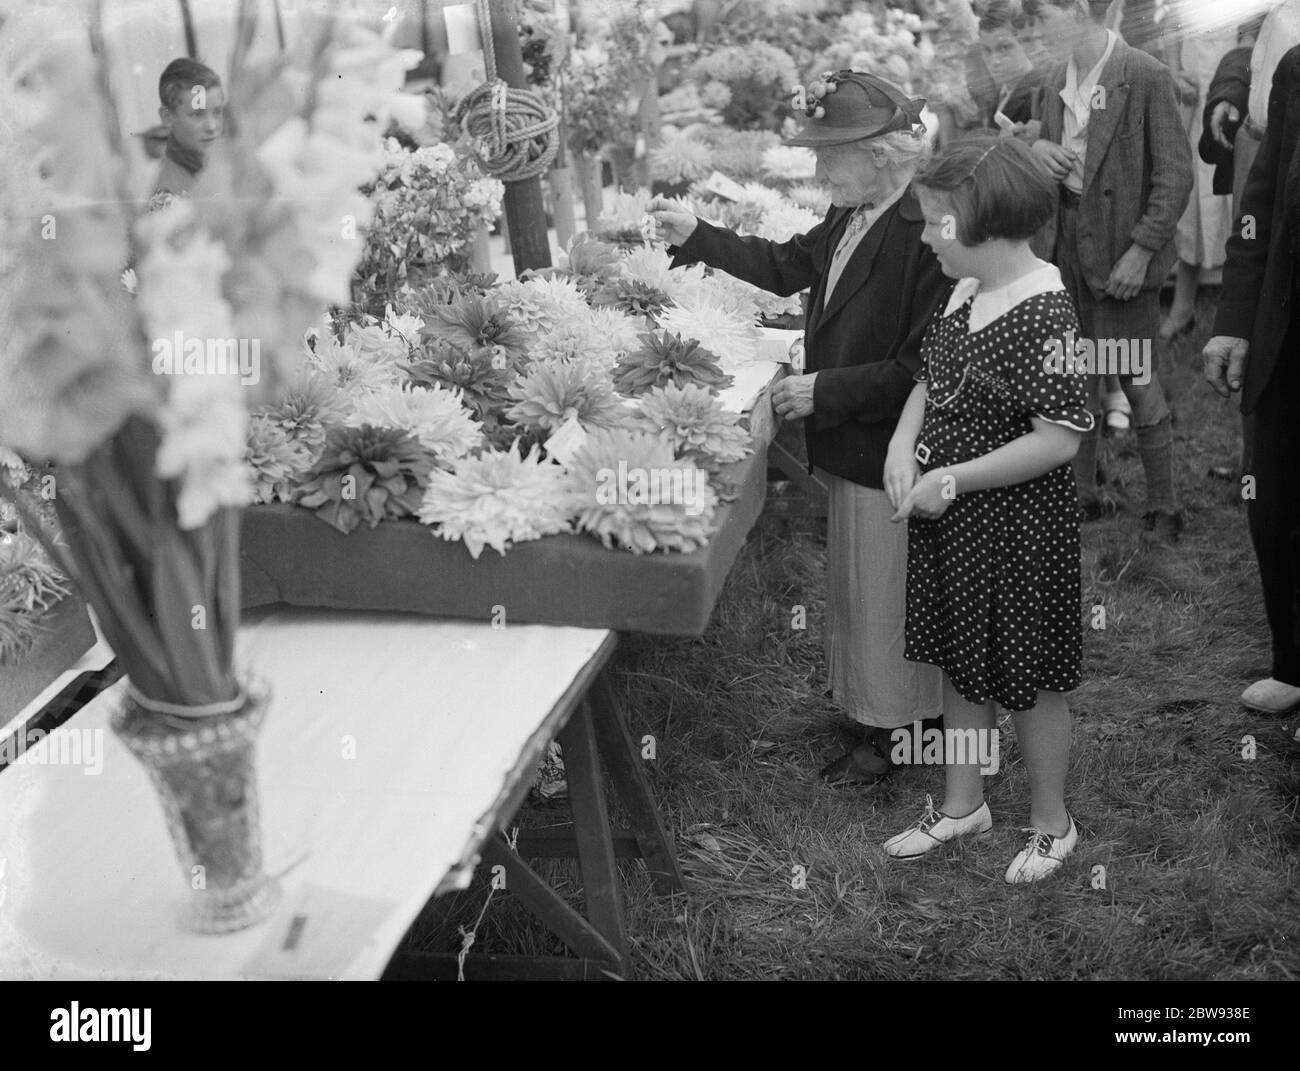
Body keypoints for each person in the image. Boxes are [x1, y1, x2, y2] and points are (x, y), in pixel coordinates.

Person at [647, 71, 948, 786]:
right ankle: (873, 707)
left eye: (828, 154)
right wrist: (700, 236)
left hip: (893, 448)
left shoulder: (924, 230)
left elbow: (921, 365)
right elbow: (787, 265)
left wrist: (826, 391)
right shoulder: (855, 211)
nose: (816, 169)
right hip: (856, 440)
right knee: (861, 584)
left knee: (888, 586)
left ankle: (901, 730)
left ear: (878, 152)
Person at [884, 136, 1091, 883]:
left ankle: (1051, 823)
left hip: (1019, 532)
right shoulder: (963, 291)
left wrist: (959, 479)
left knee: (1030, 678)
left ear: (983, 220)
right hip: (955, 523)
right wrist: (905, 443)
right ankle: (964, 801)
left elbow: (1060, 438)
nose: (925, 232)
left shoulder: (1048, 311)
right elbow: (928, 378)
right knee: (960, 662)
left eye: (936, 220)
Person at [1027, 0, 1192, 541]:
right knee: (1079, 373)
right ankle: (1082, 496)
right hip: (1065, 248)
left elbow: (1174, 176)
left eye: (1041, 16)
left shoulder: (1143, 74)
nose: (1034, 29)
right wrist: (1038, 147)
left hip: (1122, 254)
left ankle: (1165, 506)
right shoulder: (1055, 76)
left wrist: (1142, 252)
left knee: (1135, 376)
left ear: (1077, 10)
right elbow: (1038, 140)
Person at [1202, 43, 1300, 716]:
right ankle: (1293, 662)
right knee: (1276, 511)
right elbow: (1257, 205)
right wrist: (1234, 319)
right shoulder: (1295, 70)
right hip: (1288, 339)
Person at [1163, 17, 1240, 340]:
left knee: (1239, 208)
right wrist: (1175, 73)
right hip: (1197, 109)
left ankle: (1238, 316)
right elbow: (1170, 25)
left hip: (1237, 98)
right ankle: (1183, 308)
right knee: (1194, 209)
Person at [152, 57, 225, 206]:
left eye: (217, 112)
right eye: (197, 115)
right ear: (168, 117)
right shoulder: (167, 198)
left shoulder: (218, 163)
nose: (211, 127)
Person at [975, 0, 1043, 131]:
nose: (995, 61)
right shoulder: (999, 91)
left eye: (1004, 48)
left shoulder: (1040, 94)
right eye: (987, 50)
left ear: (1025, 42)